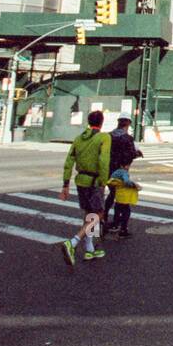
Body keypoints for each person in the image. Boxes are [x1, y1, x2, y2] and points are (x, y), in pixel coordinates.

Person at [60, 110, 112, 266]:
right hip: (95, 181)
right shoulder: (104, 137)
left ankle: (90, 248)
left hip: (81, 180)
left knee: (89, 214)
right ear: (101, 122)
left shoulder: (78, 139)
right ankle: (73, 242)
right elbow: (104, 160)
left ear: (89, 122)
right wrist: (104, 181)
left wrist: (65, 184)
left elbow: (69, 162)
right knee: (100, 213)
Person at [104, 116, 143, 235]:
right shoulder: (127, 138)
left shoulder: (109, 136)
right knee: (122, 200)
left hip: (108, 170)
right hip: (121, 171)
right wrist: (137, 153)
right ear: (128, 124)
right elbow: (130, 155)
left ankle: (105, 216)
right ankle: (120, 226)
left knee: (112, 194)